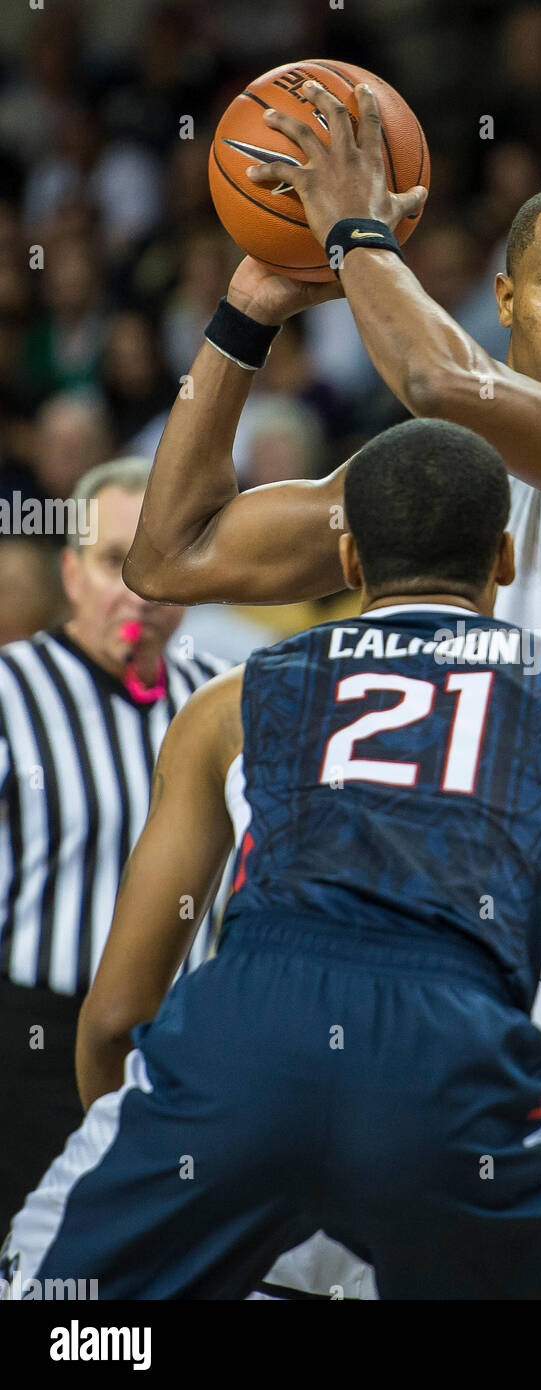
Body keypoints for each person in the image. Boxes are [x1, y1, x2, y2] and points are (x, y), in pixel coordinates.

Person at [124, 83, 541, 1297]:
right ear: (504, 301)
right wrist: (248, 306)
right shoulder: (414, 482)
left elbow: (446, 386)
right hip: (376, 895)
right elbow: (171, 557)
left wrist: (353, 229)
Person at [2, 420, 541, 1299]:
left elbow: (115, 1018)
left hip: (242, 1043)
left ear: (347, 562)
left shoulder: (231, 697)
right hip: (447, 1054)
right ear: (503, 558)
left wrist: (153, 1137)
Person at [0, 458, 229, 1231]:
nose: (139, 593)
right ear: (69, 572)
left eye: (158, 566)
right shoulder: (10, 690)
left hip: (188, 1047)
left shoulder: (225, 695)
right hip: (34, 1041)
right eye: (112, 564)